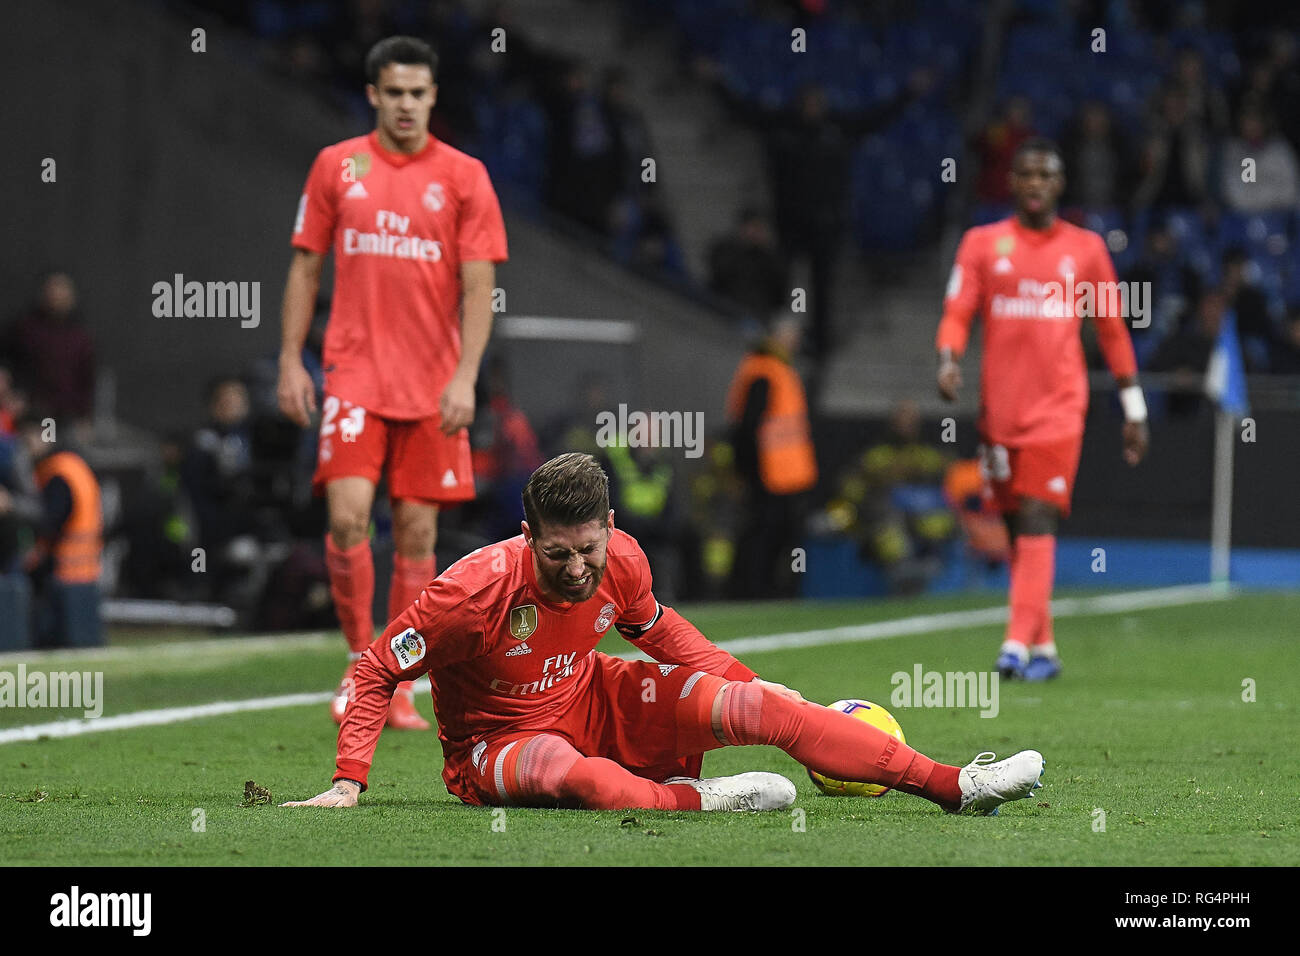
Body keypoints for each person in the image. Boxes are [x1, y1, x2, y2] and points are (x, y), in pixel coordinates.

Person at [284, 453, 1044, 814]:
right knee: (573, 775)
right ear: (528, 536)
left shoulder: (622, 559)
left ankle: (957, 786)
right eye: (558, 553)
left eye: (590, 547)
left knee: (762, 709)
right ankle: (702, 799)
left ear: (610, 526)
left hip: (593, 698)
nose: (580, 568)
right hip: (496, 744)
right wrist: (350, 782)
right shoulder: (471, 591)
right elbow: (380, 667)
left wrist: (745, 685)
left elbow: (659, 631)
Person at [276, 35, 508, 730]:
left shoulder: (465, 176)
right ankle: (357, 663)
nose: (406, 104)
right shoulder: (335, 166)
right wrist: (292, 359)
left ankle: (399, 681)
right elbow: (304, 267)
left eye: (418, 92)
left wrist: (467, 377)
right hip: (353, 375)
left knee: (414, 533)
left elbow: (479, 288)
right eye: (394, 92)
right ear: (373, 93)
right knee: (347, 517)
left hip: (433, 385)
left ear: (433, 96)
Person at [936, 138, 1149, 681]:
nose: (1035, 183)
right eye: (1026, 174)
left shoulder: (1085, 249)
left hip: (1059, 409)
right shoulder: (984, 244)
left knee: (1038, 517)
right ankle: (1046, 650)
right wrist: (948, 358)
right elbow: (959, 310)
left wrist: (1134, 406)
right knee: (1015, 528)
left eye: (1046, 175)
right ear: (1013, 182)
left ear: (1059, 184)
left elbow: (1112, 330)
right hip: (999, 415)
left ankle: (1012, 646)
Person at [725, 318, 817, 600]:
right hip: (769, 472)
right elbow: (748, 425)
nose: (795, 342)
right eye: (790, 336)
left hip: (784, 472)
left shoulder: (775, 369)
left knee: (773, 533)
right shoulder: (765, 371)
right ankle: (751, 590)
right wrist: (748, 469)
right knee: (763, 533)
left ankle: (762, 588)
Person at [17, 410, 103, 648]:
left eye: (29, 437)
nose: (25, 445)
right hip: (85, 572)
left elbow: (49, 522)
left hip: (62, 573)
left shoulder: (57, 471)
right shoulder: (73, 465)